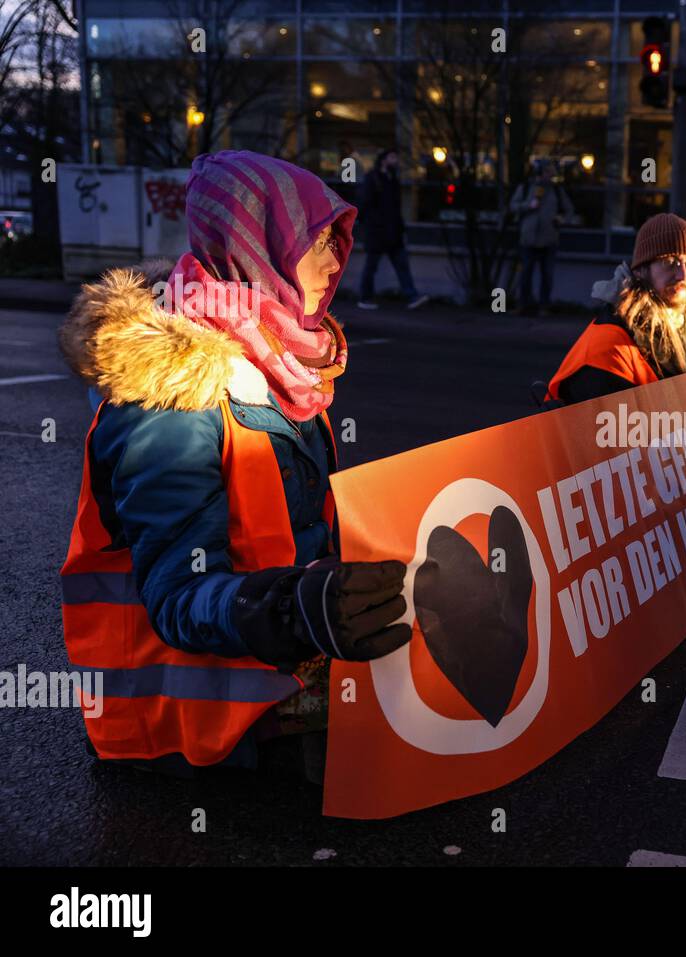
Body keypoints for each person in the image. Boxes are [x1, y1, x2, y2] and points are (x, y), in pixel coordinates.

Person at [56, 150, 452, 782]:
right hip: (192, 725)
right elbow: (177, 596)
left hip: (268, 682)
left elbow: (296, 530)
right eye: (313, 241)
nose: (333, 261)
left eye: (334, 239)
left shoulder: (282, 361)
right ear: (252, 244)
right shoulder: (173, 395)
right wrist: (297, 609)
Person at [545, 213, 686, 405]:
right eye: (669, 262)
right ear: (641, 270)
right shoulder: (611, 344)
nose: (682, 275)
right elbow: (611, 438)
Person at [356, 148, 430, 310]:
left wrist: (399, 228)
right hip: (379, 231)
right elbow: (365, 204)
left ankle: (411, 296)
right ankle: (365, 297)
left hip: (391, 231)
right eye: (392, 157)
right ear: (384, 160)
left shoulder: (391, 179)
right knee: (373, 266)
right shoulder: (374, 179)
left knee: (399, 265)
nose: (395, 161)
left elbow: (394, 208)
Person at [509, 158, 575, 316]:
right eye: (547, 172)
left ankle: (544, 306)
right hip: (528, 238)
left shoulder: (557, 191)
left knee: (547, 274)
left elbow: (569, 210)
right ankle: (524, 304)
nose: (550, 176)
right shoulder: (526, 188)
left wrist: (561, 219)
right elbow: (513, 206)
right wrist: (528, 205)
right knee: (526, 273)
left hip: (549, 238)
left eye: (551, 172)